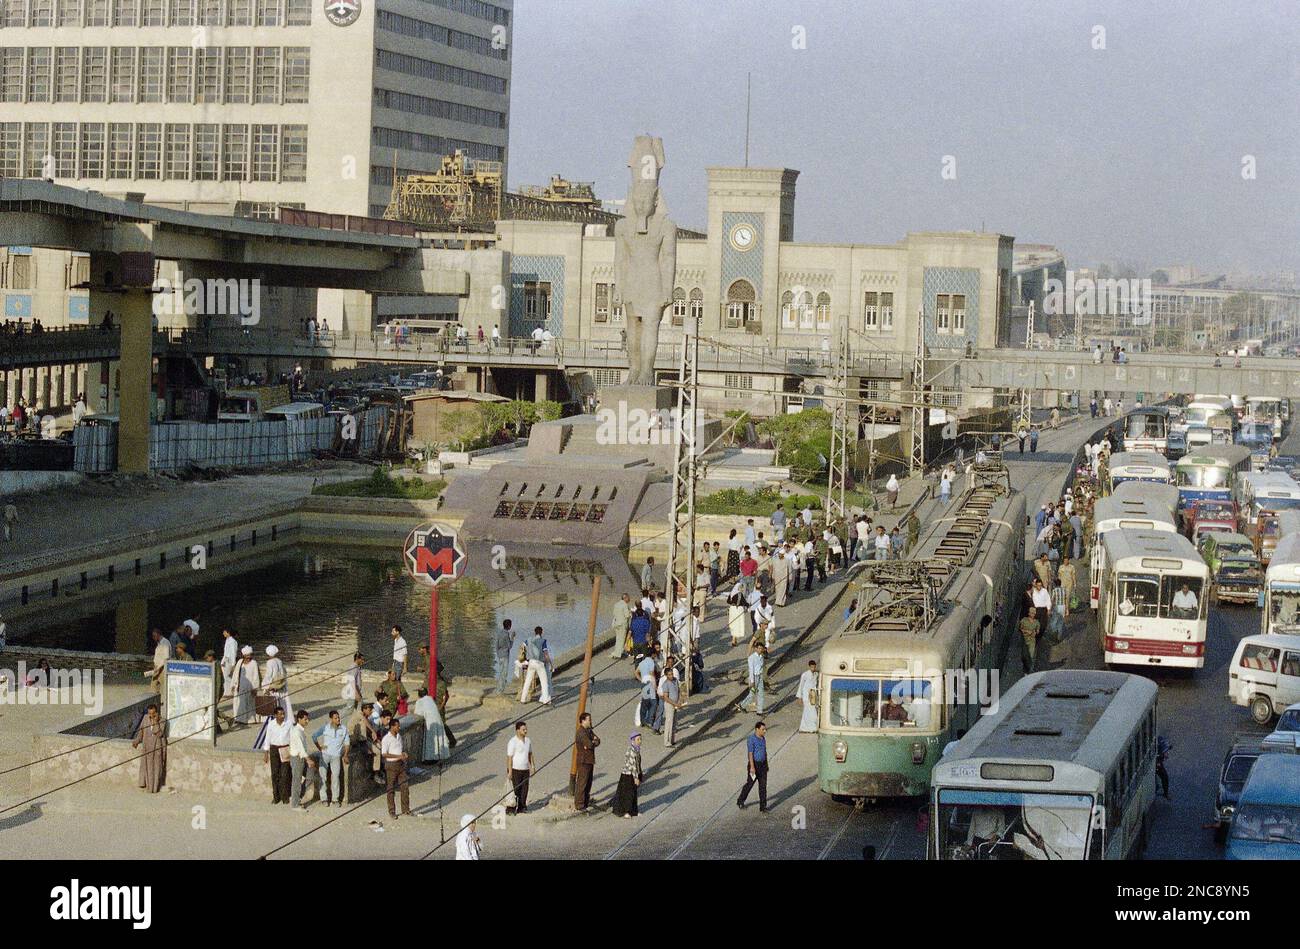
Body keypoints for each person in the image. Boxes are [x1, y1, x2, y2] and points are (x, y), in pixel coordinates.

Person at [313, 710, 350, 807]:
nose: (338, 719)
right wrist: (320, 748)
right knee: (323, 777)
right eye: (335, 718)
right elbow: (314, 736)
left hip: (336, 756)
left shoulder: (344, 729)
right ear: (331, 719)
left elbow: (347, 743)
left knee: (336, 777)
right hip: (325, 755)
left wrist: (345, 755)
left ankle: (335, 799)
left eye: (338, 717)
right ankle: (324, 798)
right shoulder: (325, 727)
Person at [382, 718, 416, 819]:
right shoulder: (386, 739)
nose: (399, 727)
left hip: (400, 764)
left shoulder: (399, 736)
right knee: (391, 789)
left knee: (405, 787)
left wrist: (403, 754)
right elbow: (384, 754)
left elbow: (399, 749)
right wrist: (398, 757)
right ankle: (392, 811)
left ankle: (405, 809)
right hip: (391, 765)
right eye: (397, 726)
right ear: (392, 726)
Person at [131, 703, 167, 793]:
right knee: (147, 766)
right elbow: (141, 732)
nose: (151, 715)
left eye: (153, 713)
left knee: (156, 767)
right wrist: (137, 741)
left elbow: (158, 733)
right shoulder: (145, 718)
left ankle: (154, 788)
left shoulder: (162, 721)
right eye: (149, 713)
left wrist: (155, 721)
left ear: (157, 713)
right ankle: (147, 786)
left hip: (156, 747)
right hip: (147, 746)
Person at [288, 710, 320, 811]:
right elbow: (301, 748)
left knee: (310, 777)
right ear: (299, 719)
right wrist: (308, 760)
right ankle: (295, 804)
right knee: (296, 781)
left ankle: (296, 797)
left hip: (302, 757)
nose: (307, 721)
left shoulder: (300, 730)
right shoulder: (297, 731)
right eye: (305, 719)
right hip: (298, 758)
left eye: (307, 719)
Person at [737, 721, 769, 812]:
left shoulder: (763, 738)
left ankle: (763, 807)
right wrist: (752, 767)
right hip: (755, 764)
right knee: (750, 784)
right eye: (763, 729)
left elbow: (764, 751)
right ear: (757, 729)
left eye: (765, 729)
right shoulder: (751, 739)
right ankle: (740, 800)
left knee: (763, 786)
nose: (764, 731)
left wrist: (766, 765)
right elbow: (750, 753)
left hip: (763, 765)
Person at [413, 686, 450, 763]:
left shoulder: (420, 701)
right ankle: (439, 756)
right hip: (438, 721)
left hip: (430, 723)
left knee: (431, 741)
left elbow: (417, 714)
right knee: (437, 740)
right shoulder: (430, 699)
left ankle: (431, 759)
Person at [264, 706, 292, 804]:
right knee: (275, 774)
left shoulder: (288, 724)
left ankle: (285, 797)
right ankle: (276, 796)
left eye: (283, 714)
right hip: (274, 749)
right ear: (275, 715)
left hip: (285, 748)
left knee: (285, 774)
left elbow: (292, 737)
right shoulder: (271, 724)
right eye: (280, 714)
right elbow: (268, 738)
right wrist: (266, 752)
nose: (282, 716)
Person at [612, 732, 643, 818]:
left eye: (640, 739)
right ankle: (625, 811)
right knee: (627, 794)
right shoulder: (631, 751)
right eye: (638, 739)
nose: (640, 741)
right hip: (628, 775)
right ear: (633, 741)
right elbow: (632, 765)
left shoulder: (637, 749)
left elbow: (637, 764)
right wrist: (636, 778)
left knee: (633, 793)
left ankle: (634, 811)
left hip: (633, 774)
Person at [574, 712, 600, 811]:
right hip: (583, 760)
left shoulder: (588, 731)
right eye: (589, 719)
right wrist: (593, 742)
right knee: (582, 782)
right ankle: (580, 804)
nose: (590, 721)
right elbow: (589, 744)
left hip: (590, 759)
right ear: (583, 720)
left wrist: (594, 741)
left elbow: (598, 740)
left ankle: (585, 801)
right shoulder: (581, 732)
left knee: (588, 782)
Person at [506, 721, 534, 815]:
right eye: (523, 729)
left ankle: (522, 807)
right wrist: (510, 771)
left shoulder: (528, 741)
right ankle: (511, 808)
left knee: (524, 789)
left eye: (526, 729)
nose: (525, 731)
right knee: (515, 789)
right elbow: (509, 757)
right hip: (515, 769)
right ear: (518, 730)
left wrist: (532, 766)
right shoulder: (512, 742)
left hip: (525, 769)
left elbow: (530, 753)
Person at [519, 626, 552, 705]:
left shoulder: (529, 639)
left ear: (535, 632)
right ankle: (546, 700)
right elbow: (546, 654)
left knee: (528, 681)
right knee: (544, 682)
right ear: (541, 632)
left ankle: (523, 699)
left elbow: (522, 645)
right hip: (539, 663)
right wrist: (551, 664)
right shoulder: (543, 641)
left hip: (531, 662)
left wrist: (525, 655)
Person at [658, 658, 684, 747]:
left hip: (676, 703)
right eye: (669, 674)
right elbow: (666, 697)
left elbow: (679, 690)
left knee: (674, 722)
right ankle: (667, 741)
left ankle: (672, 740)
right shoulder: (665, 684)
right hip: (670, 704)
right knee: (669, 722)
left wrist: (680, 701)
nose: (671, 675)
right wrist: (675, 703)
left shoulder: (675, 680)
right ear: (666, 675)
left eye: (672, 674)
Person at [739, 642, 766, 714]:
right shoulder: (751, 658)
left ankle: (759, 711)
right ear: (756, 649)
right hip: (754, 677)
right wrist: (752, 681)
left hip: (760, 676)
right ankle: (742, 705)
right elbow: (751, 670)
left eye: (761, 648)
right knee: (752, 694)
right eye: (759, 648)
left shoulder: (761, 656)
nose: (760, 650)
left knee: (761, 693)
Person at [146, 628, 172, 696]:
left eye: (154, 636)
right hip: (157, 668)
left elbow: (166, 658)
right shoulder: (159, 644)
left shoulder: (165, 643)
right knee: (153, 687)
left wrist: (159, 668)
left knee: (164, 687)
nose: (153, 638)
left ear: (158, 635)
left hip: (162, 668)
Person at [796, 660, 819, 733]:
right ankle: (808, 727)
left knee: (812, 709)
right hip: (806, 694)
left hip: (813, 694)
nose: (813, 668)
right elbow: (801, 685)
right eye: (812, 667)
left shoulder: (816, 674)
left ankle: (808, 727)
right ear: (809, 667)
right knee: (808, 710)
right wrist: (800, 697)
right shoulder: (805, 674)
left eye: (814, 667)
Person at [495, 619, 516, 692]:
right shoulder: (506, 634)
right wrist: (512, 638)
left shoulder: (499, 632)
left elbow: (496, 645)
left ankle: (499, 689)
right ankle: (500, 690)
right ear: (509, 626)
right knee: (504, 673)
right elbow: (509, 646)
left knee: (501, 672)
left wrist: (498, 653)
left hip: (500, 655)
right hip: (505, 655)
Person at [1018, 609, 1041, 673]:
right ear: (1029, 613)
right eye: (1031, 613)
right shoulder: (1024, 620)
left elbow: (1038, 631)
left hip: (1032, 641)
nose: (1033, 614)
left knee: (1030, 655)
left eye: (1034, 613)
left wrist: (1035, 632)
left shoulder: (1036, 622)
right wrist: (1026, 631)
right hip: (1024, 640)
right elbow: (1020, 629)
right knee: (1024, 656)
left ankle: (1028, 670)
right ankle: (1025, 668)